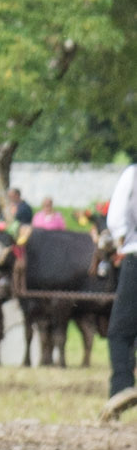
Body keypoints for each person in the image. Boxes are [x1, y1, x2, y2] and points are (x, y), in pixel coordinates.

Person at [103, 158, 137, 416]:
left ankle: (122, 388)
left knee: (120, 332)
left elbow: (115, 219)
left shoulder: (133, 174)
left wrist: (120, 240)